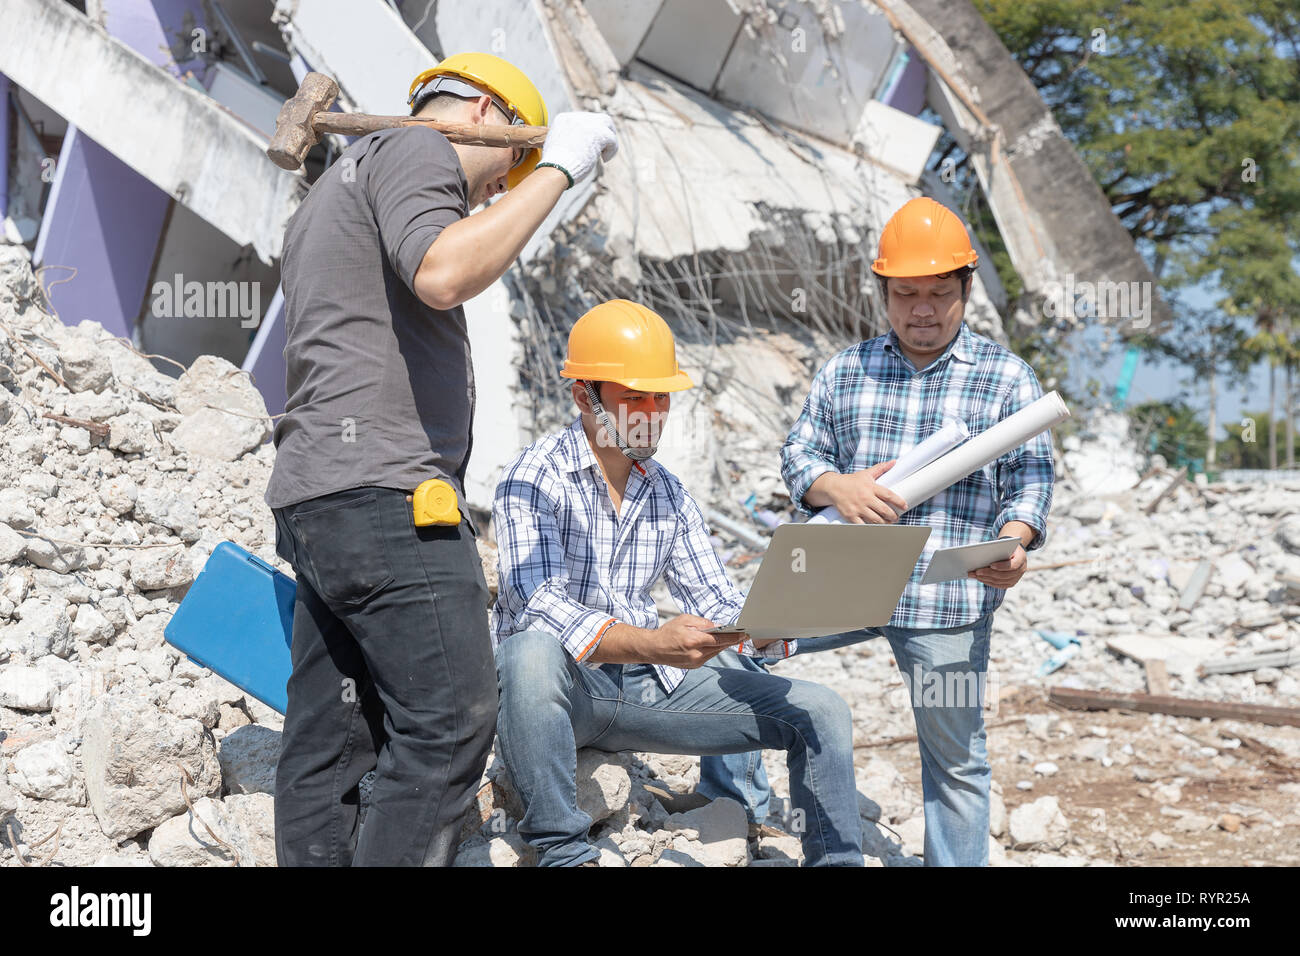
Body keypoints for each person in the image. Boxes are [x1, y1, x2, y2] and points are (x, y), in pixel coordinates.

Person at [265, 52, 619, 866]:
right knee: (452, 717)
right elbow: (445, 271)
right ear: (486, 114)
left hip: (321, 499)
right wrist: (560, 166)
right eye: (507, 171)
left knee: (333, 737)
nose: (495, 194)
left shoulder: (333, 191)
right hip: (390, 499)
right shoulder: (420, 149)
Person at [703, 197, 1055, 866]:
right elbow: (799, 455)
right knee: (735, 648)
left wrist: (1015, 541)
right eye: (905, 294)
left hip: (944, 600)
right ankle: (733, 810)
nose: (921, 309)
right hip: (843, 579)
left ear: (966, 289)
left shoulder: (1007, 380)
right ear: (884, 291)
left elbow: (1031, 480)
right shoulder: (848, 370)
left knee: (954, 758)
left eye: (938, 294)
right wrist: (838, 487)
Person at [491, 299, 864, 866]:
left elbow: (716, 599)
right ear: (582, 395)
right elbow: (536, 604)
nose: (650, 411)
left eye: (660, 396)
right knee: (528, 653)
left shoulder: (667, 492)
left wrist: (770, 625)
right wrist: (650, 641)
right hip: (564, 694)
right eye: (632, 396)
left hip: (647, 690)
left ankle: (836, 861)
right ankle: (563, 851)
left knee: (824, 710)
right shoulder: (533, 476)